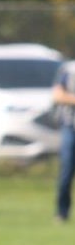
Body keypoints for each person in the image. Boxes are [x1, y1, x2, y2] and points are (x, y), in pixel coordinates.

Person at [52, 55, 74, 223]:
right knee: (66, 171)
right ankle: (61, 212)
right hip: (70, 126)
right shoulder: (69, 69)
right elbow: (58, 95)